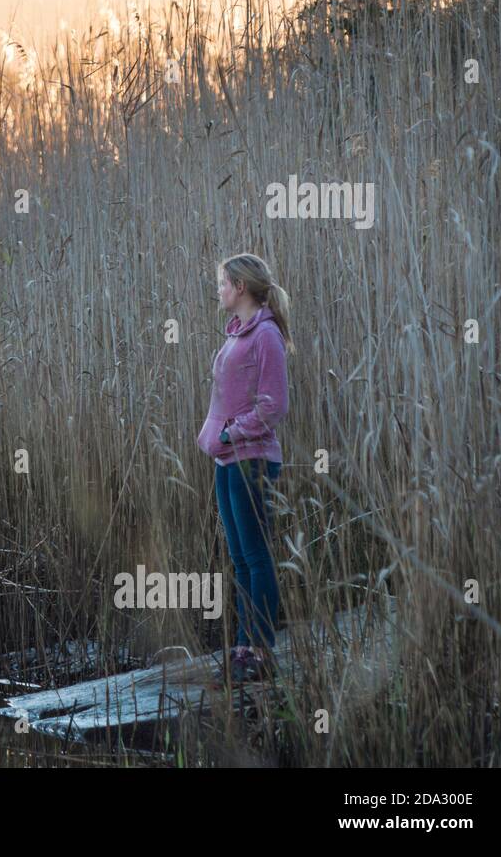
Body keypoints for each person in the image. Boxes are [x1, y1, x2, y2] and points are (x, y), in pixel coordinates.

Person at [196, 253, 293, 683]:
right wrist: (221, 440)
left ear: (240, 288)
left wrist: (235, 433)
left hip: (251, 458)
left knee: (256, 556)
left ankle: (260, 651)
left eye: (222, 284)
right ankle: (242, 647)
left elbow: (274, 405)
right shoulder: (238, 334)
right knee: (239, 557)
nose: (218, 290)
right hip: (226, 459)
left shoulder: (266, 335)